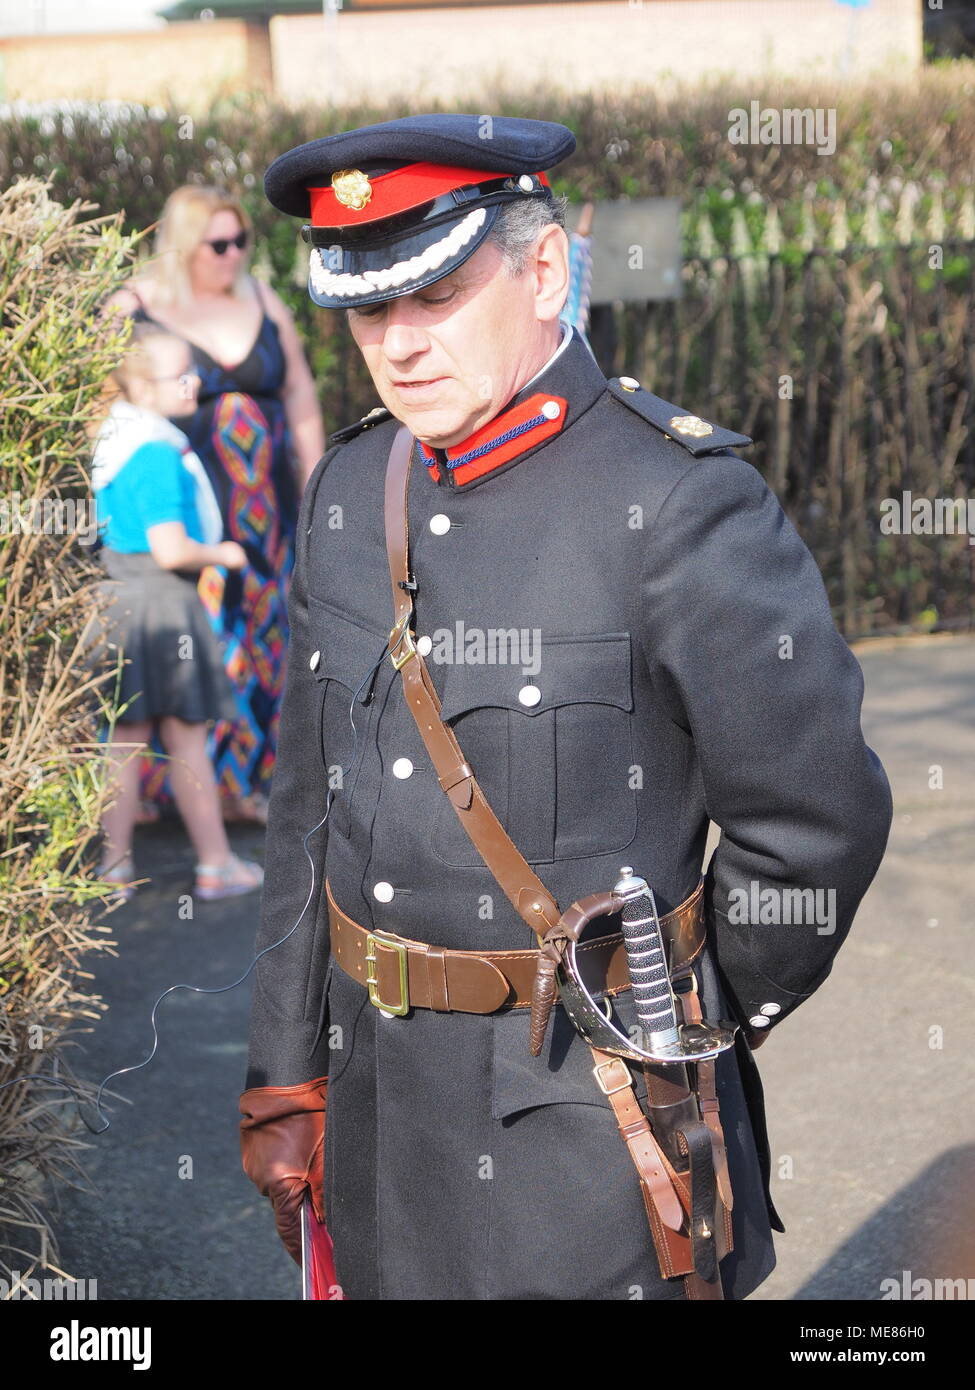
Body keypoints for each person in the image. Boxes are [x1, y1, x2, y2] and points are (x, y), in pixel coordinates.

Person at [237, 115, 893, 1300]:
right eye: (370, 310)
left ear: (545, 273)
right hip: (378, 1123)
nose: (398, 344)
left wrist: (676, 1024)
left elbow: (815, 821)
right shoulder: (347, 493)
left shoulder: (679, 503)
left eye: (435, 294)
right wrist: (285, 1075)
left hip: (584, 1143)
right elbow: (305, 816)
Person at [104, 186, 326, 828]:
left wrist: (314, 488)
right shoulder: (138, 304)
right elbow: (98, 390)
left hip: (265, 508)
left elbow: (301, 396)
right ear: (183, 244)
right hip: (184, 510)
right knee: (196, 639)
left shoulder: (261, 300)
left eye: (241, 242)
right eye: (217, 244)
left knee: (264, 633)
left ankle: (248, 785)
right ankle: (166, 793)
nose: (232, 256)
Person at [90, 324, 264, 902]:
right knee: (187, 738)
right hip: (162, 601)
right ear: (142, 385)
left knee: (122, 739)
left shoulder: (115, 441)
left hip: (117, 596)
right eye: (180, 375)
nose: (195, 383)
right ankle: (216, 866)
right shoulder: (157, 450)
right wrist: (226, 553)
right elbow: (170, 547)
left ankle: (112, 871)